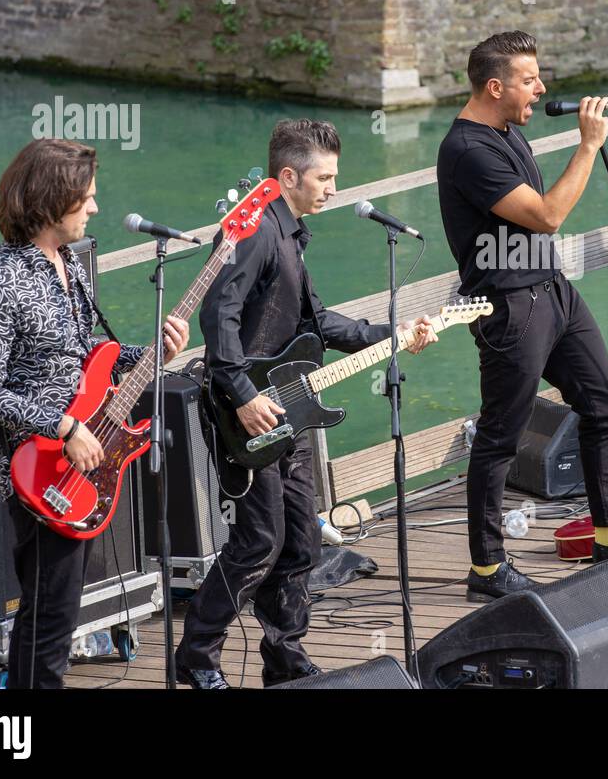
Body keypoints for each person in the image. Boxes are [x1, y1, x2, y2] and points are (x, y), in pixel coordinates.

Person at [175, 119, 437, 688]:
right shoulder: (255, 230)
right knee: (258, 543)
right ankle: (196, 656)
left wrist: (390, 333)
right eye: (325, 178)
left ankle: (284, 655)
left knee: (301, 540)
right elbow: (215, 315)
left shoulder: (290, 231)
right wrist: (242, 395)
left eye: (335, 178)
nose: (333, 189)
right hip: (243, 410)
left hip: (288, 405)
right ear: (288, 175)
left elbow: (316, 323)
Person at [0, 138, 191, 689]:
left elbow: (87, 359)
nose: (94, 208)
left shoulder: (68, 266)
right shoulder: (3, 282)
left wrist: (154, 352)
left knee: (53, 620)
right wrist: (64, 427)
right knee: (48, 623)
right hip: (37, 471)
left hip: (78, 463)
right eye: (85, 198)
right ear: (50, 202)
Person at [436, 30, 608, 601]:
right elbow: (548, 215)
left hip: (552, 291)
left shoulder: (506, 132)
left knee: (604, 398)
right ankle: (486, 570)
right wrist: (587, 145)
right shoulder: (468, 150)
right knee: (501, 435)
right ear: (494, 86)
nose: (542, 88)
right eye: (530, 80)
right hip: (509, 305)